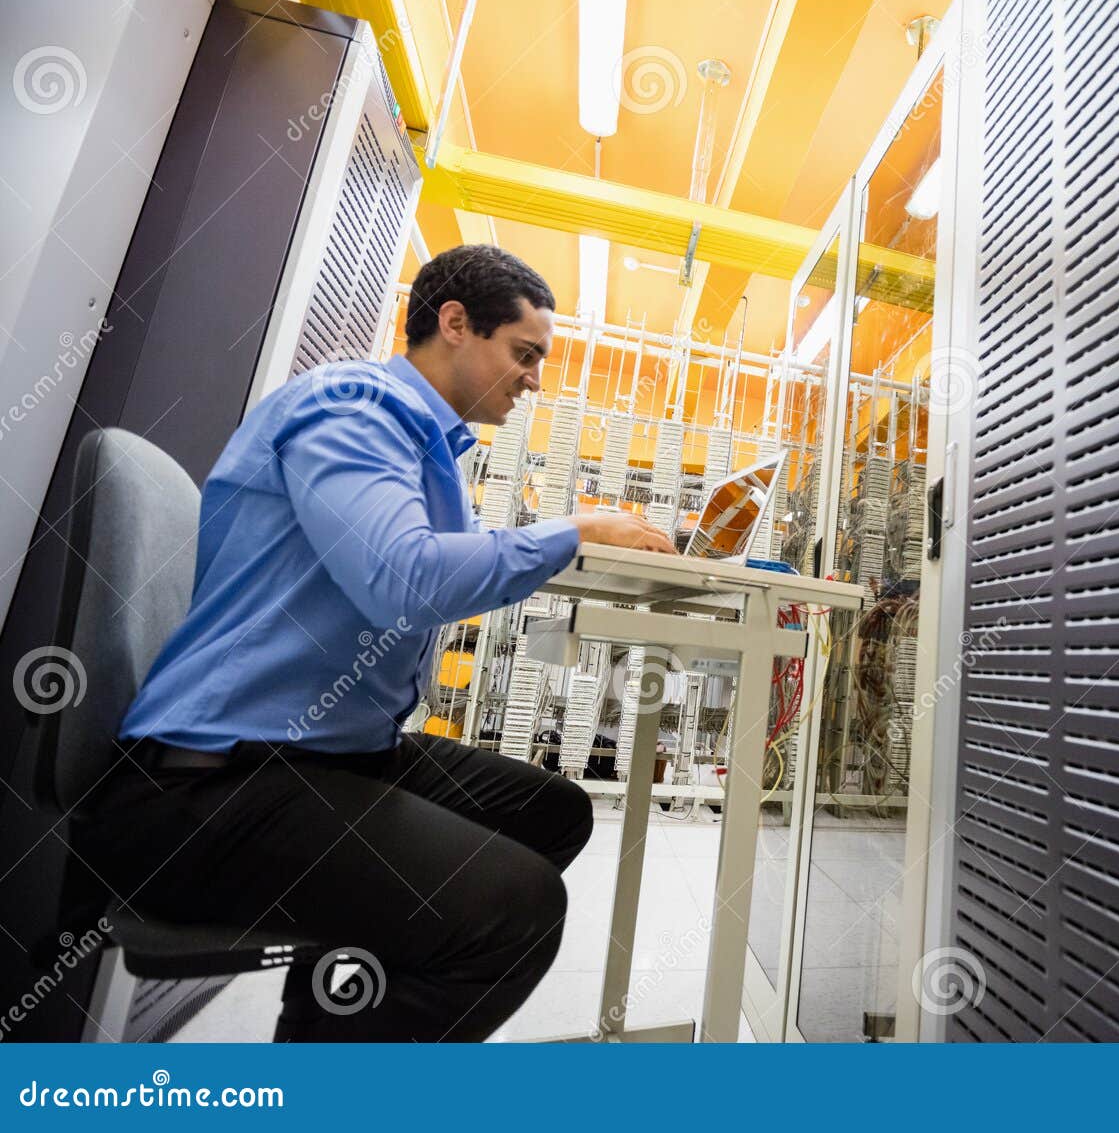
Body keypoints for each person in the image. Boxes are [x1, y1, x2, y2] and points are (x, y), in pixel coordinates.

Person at [75, 244, 673, 1041]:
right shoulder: (352, 408)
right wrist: (572, 531)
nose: (536, 379)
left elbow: (422, 569)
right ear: (455, 324)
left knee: (550, 810)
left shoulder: (426, 449)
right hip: (206, 788)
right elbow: (406, 577)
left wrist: (570, 544)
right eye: (525, 354)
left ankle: (332, 1021)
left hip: (324, 753)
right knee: (515, 907)